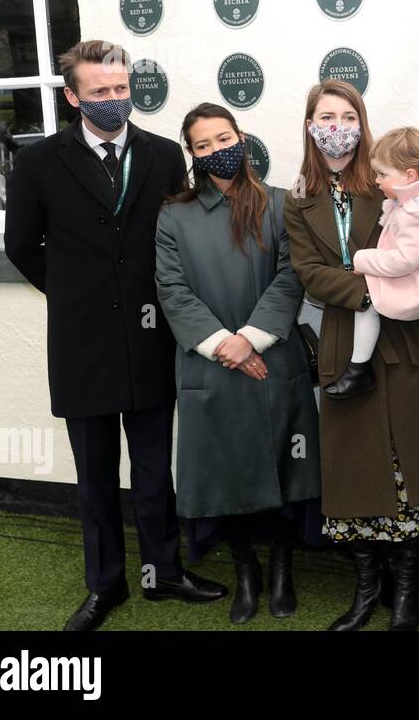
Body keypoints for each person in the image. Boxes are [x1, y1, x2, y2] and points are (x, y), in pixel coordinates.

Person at [3, 40, 225, 631]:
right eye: (99, 92)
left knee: (155, 467)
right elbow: (21, 246)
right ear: (73, 96)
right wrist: (76, 296)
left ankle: (164, 573)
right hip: (81, 345)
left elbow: (173, 238)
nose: (113, 100)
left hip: (151, 337)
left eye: (121, 89)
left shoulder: (159, 155)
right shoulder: (39, 162)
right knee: (95, 473)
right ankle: (105, 586)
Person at [284, 80, 419, 632]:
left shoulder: (393, 182)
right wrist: (368, 293)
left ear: (362, 121)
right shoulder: (298, 198)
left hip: (406, 340)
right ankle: (365, 590)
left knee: (409, 466)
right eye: (327, 115)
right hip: (345, 339)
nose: (338, 124)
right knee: (356, 472)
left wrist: (395, 293)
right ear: (309, 123)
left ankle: (406, 593)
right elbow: (308, 272)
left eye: (348, 114)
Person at [155, 103, 323, 625]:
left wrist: (250, 339)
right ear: (192, 154)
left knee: (280, 466)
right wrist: (221, 344)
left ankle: (280, 569)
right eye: (202, 146)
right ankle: (245, 573)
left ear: (241, 138)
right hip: (209, 367)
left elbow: (291, 277)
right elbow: (171, 288)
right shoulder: (173, 214)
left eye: (222, 139)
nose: (216, 152)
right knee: (224, 471)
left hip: (272, 359)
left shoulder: (280, 205)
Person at [326, 127, 419, 395]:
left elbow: (404, 261)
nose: (377, 180)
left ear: (409, 176)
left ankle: (358, 368)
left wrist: (361, 260)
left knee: (366, 302)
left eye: (382, 174)